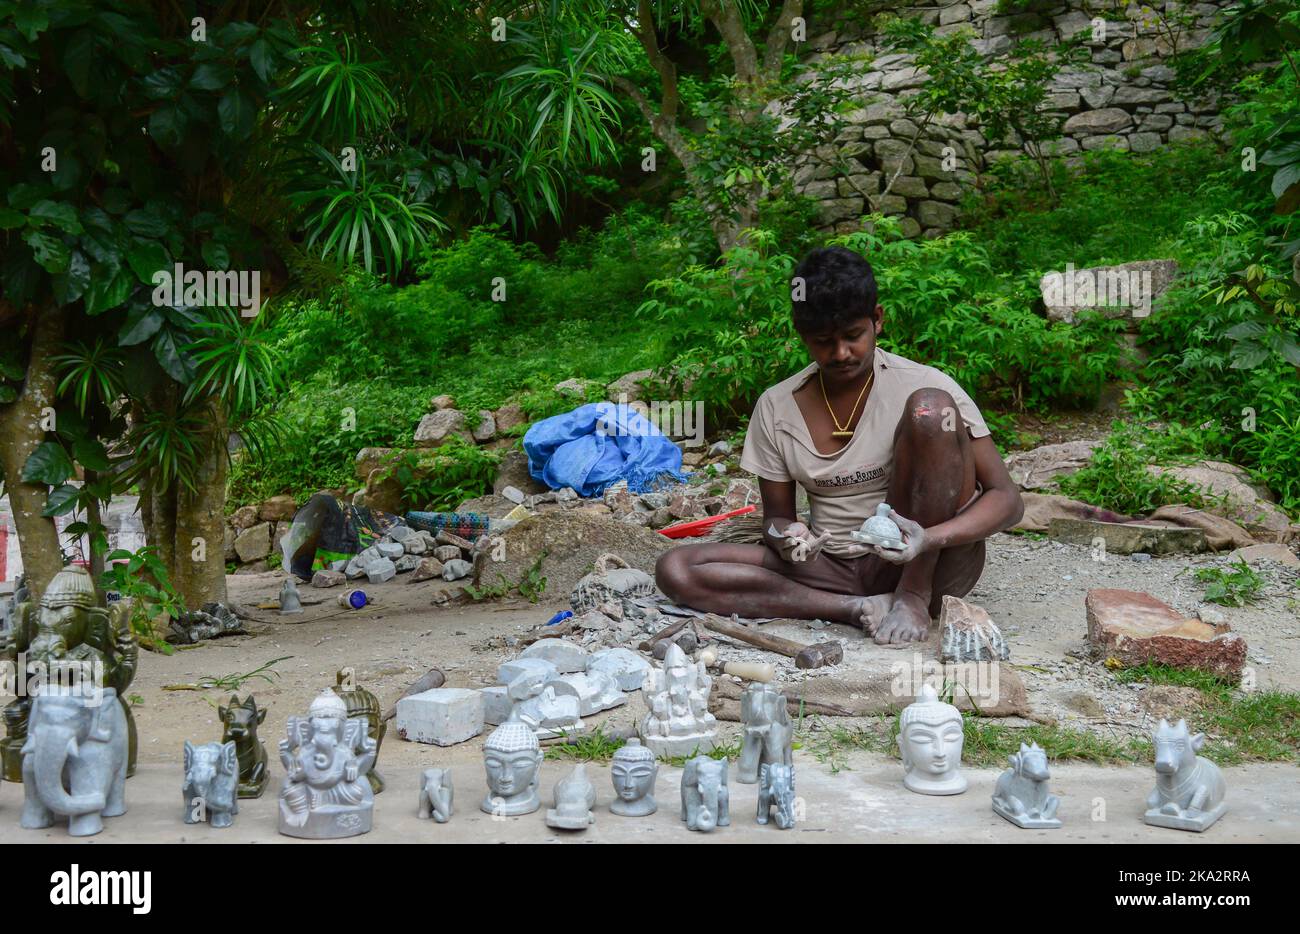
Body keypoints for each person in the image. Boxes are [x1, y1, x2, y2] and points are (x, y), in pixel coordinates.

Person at [655, 246, 1024, 644]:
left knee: (929, 411)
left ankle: (911, 596)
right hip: (829, 567)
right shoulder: (776, 406)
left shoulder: (922, 385)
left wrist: (927, 540)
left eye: (853, 336)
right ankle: (855, 608)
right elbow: (775, 519)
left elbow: (1008, 500)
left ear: (877, 320)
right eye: (823, 341)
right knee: (676, 569)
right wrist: (790, 537)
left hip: (926, 563)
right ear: (802, 336)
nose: (841, 353)